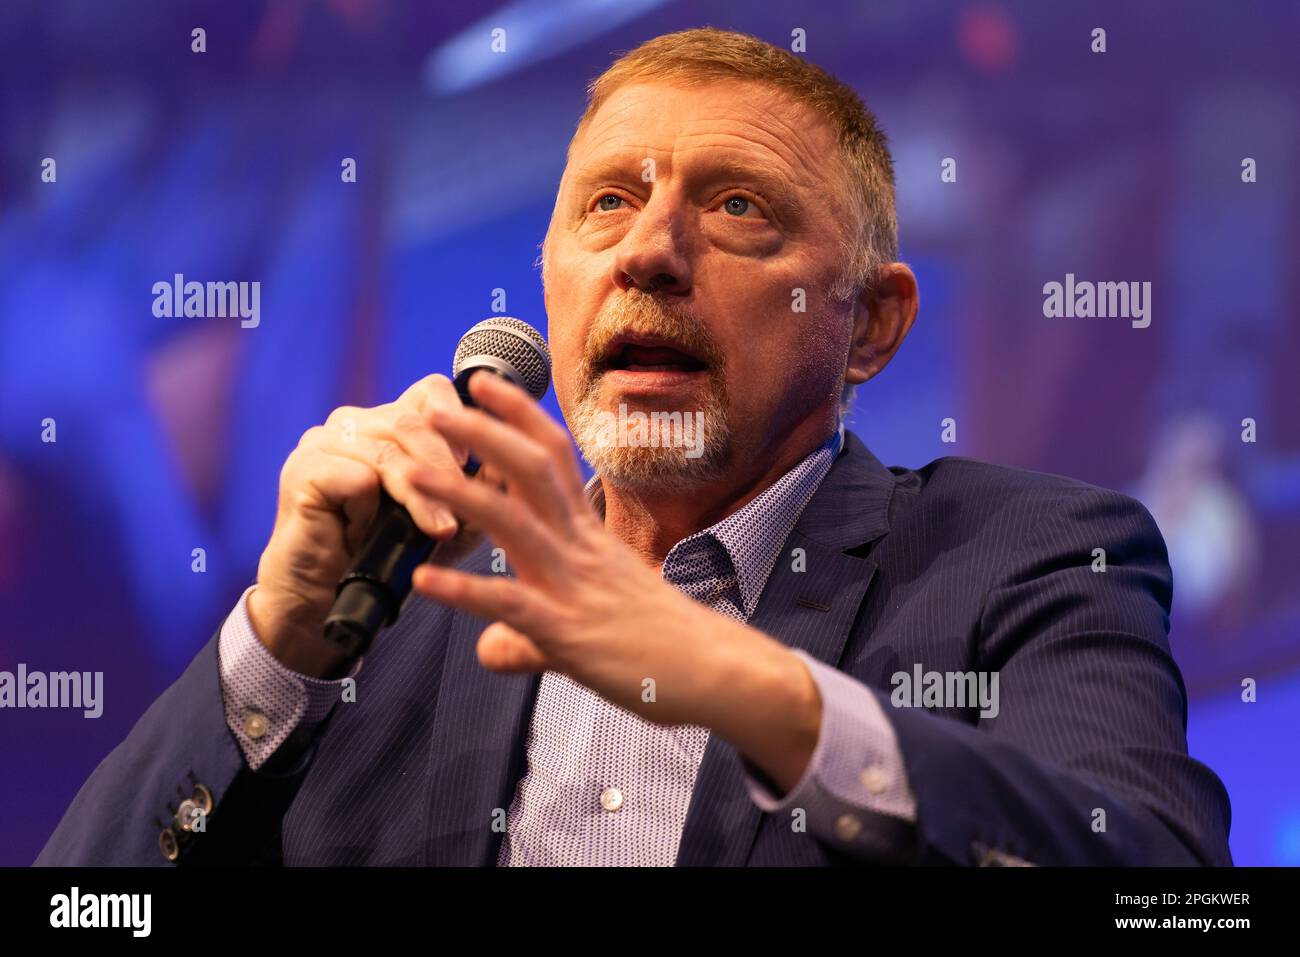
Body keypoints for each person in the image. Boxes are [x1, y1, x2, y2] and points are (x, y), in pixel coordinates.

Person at [38, 27, 1231, 867]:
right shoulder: (393, 605)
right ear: (551, 281)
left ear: (870, 324)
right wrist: (270, 650)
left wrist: (752, 690)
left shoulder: (1026, 555)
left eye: (737, 208)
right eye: (606, 202)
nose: (648, 252)